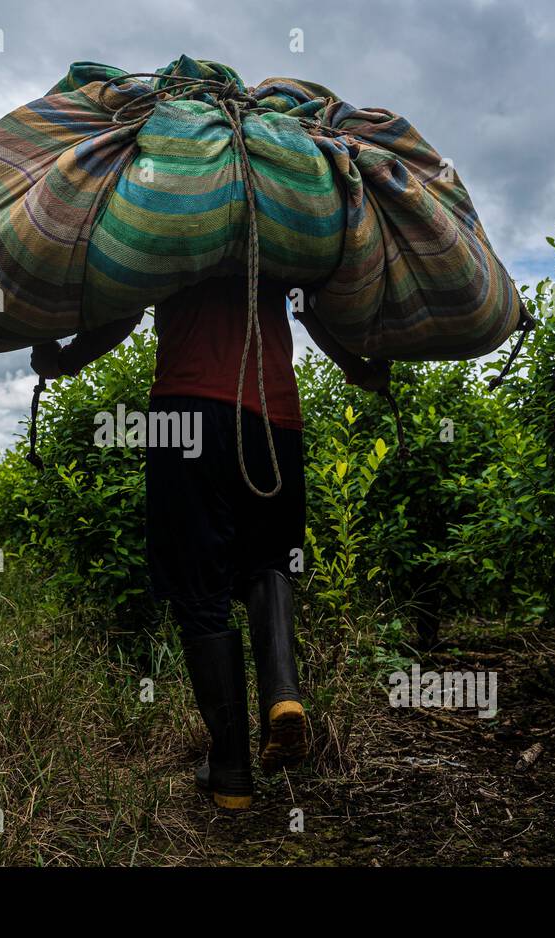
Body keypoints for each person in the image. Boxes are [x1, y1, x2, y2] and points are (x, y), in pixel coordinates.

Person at [31, 276, 389, 809]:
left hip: (186, 413)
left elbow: (125, 311)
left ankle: (231, 771)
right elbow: (310, 308)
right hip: (275, 415)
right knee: (270, 560)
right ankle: (283, 696)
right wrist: (355, 367)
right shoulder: (276, 226)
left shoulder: (169, 218)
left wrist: (65, 361)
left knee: (199, 586)